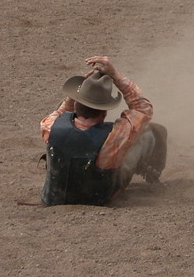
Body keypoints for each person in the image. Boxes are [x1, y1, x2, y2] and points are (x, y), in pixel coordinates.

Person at [40, 56, 168, 206]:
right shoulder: (114, 137)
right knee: (149, 132)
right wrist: (116, 76)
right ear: (104, 112)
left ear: (76, 105)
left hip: (53, 199)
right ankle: (152, 175)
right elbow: (143, 109)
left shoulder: (49, 125)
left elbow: (61, 112)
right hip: (100, 199)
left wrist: (78, 93)